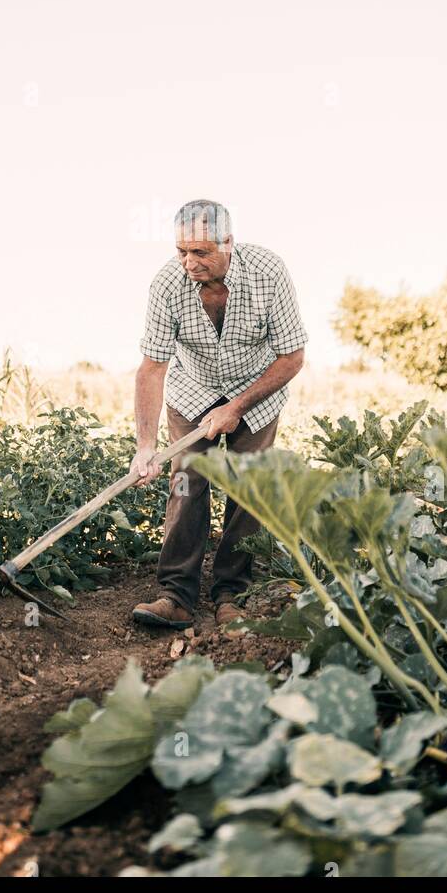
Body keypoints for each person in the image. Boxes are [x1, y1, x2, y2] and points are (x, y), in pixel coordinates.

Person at [130, 199, 307, 630]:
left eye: (201, 252)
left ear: (228, 242)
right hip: (192, 391)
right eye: (181, 251)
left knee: (248, 489)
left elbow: (292, 355)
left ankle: (233, 594)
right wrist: (146, 446)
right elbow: (153, 368)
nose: (189, 262)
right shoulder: (167, 285)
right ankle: (176, 595)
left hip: (257, 391)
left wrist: (236, 407)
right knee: (187, 483)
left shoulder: (268, 273)